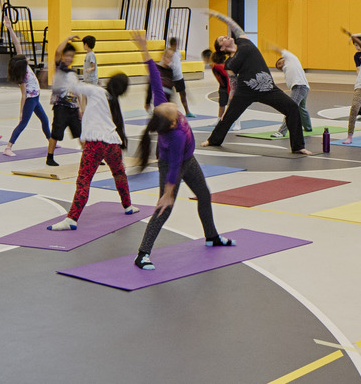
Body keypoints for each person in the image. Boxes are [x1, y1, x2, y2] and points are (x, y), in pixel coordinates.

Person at [134, 101, 235, 270]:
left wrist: (152, 72)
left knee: (203, 194)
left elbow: (157, 84)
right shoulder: (176, 135)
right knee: (164, 208)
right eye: (172, 109)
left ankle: (211, 236)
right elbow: (175, 166)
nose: (173, 105)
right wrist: (168, 193)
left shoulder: (162, 111)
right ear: (172, 121)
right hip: (173, 165)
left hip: (188, 159)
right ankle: (143, 253)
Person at [203, 11, 309, 155]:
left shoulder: (244, 41)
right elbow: (233, 87)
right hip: (245, 92)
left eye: (225, 36)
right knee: (228, 117)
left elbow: (233, 24)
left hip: (268, 88)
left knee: (292, 108)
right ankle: (213, 140)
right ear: (222, 48)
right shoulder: (229, 64)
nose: (227, 36)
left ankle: (298, 147)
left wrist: (217, 15)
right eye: (222, 39)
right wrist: (229, 105)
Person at [49, 72, 137, 230]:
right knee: (119, 173)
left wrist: (70, 74)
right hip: (112, 144)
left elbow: (74, 87)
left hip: (95, 144)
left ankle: (72, 219)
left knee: (84, 180)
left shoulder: (97, 92)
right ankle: (128, 206)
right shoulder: (112, 101)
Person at [3, 52, 51, 157]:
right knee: (23, 123)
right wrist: (21, 111)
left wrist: (13, 35)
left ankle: (51, 141)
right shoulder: (23, 77)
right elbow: (23, 95)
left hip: (35, 98)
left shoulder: (26, 67)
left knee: (44, 119)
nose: (28, 59)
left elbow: (17, 45)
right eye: (26, 60)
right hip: (30, 100)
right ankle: (8, 147)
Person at [45, 41, 82, 166]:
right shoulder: (60, 67)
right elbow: (57, 51)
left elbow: (77, 92)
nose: (69, 58)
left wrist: (81, 108)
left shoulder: (73, 73)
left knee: (81, 133)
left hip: (73, 107)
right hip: (61, 106)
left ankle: (90, 157)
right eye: (67, 55)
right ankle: (50, 157)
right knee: (56, 133)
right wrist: (68, 38)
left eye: (71, 56)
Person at [270, 45, 311, 138]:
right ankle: (308, 127)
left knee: (290, 108)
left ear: (283, 59)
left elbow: (280, 50)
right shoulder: (287, 68)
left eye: (279, 63)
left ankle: (281, 131)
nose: (280, 66)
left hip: (299, 87)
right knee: (302, 108)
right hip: (304, 87)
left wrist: (272, 47)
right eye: (278, 67)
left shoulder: (290, 58)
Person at [161, 37, 192, 116]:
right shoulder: (168, 53)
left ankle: (187, 111)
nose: (175, 46)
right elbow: (164, 63)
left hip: (179, 77)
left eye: (176, 45)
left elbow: (178, 62)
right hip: (170, 78)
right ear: (171, 45)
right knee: (169, 95)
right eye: (174, 45)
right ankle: (167, 111)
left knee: (183, 94)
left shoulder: (178, 53)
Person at [209, 48, 231, 118]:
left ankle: (236, 123)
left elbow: (228, 78)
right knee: (222, 104)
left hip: (230, 87)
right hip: (223, 87)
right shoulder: (215, 67)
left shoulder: (221, 67)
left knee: (232, 106)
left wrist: (230, 90)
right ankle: (219, 120)